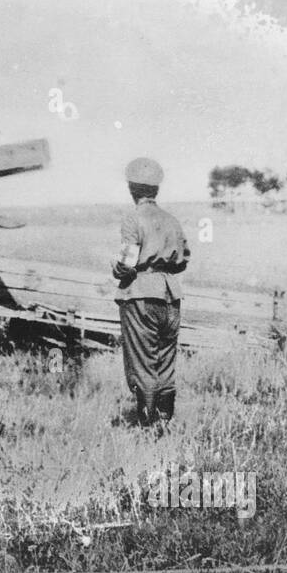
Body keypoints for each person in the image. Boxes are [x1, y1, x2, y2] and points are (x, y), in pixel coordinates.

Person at [113, 157, 190, 428]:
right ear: (156, 189)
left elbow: (126, 263)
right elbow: (182, 260)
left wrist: (118, 268)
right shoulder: (172, 220)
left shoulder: (133, 218)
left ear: (132, 188)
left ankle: (145, 428)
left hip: (140, 296)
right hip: (171, 296)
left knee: (142, 362)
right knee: (166, 360)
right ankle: (165, 423)